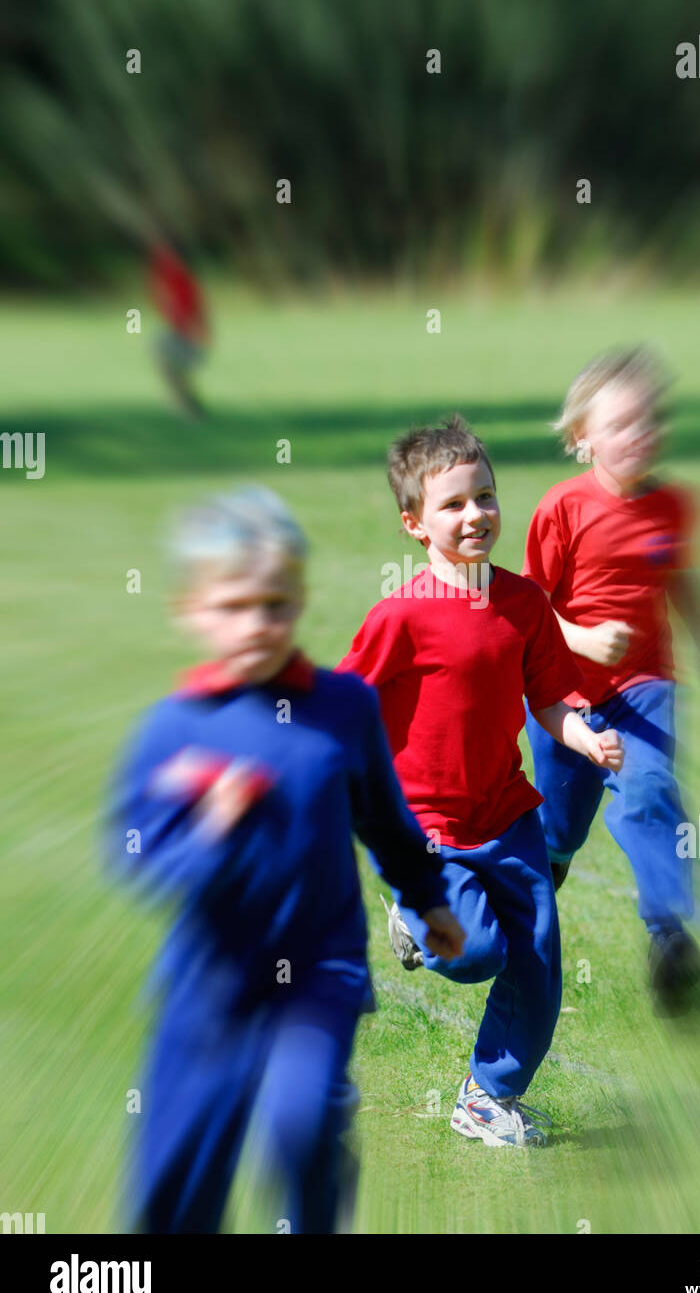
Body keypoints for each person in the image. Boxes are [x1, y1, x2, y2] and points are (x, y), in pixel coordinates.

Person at [107, 487, 463, 1232]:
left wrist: (428, 899)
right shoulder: (171, 731)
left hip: (317, 972)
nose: (256, 624)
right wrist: (209, 830)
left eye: (274, 603)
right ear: (190, 608)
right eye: (232, 605)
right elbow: (135, 857)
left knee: (302, 1127)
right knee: (171, 1186)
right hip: (209, 986)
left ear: (299, 599)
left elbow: (386, 820)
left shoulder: (343, 708)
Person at [336, 418, 623, 1147]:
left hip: (507, 813)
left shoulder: (526, 606)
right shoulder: (400, 616)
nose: (476, 516)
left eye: (486, 497)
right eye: (454, 505)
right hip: (424, 830)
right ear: (415, 524)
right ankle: (414, 919)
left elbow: (551, 699)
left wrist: (584, 735)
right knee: (476, 954)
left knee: (536, 957)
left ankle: (487, 1096)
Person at [522, 347, 700, 1014]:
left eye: (650, 421)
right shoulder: (561, 510)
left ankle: (671, 941)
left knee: (651, 788)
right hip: (562, 697)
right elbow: (530, 612)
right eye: (620, 424)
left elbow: (681, 579)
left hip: (645, 687)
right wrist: (584, 639)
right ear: (581, 437)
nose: (639, 435)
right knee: (558, 834)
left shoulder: (672, 505)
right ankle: (494, 918)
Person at [148, 239, 210, 421]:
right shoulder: (173, 280)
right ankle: (187, 405)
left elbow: (189, 316)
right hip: (184, 336)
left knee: (162, 357)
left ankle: (187, 406)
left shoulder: (183, 281)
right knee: (165, 362)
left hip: (191, 338)